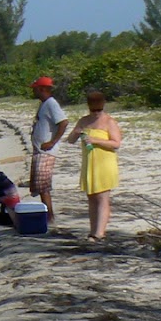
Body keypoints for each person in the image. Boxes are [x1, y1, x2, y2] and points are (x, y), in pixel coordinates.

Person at [65, 89, 122, 241]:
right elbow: (70, 140)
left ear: (103, 106)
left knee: (103, 198)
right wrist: (76, 132)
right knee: (91, 197)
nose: (96, 112)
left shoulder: (109, 122)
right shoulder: (83, 120)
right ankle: (93, 230)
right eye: (93, 109)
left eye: (98, 109)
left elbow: (116, 144)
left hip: (105, 163)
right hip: (90, 164)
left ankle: (99, 233)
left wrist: (96, 140)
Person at [29, 76, 68, 225]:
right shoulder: (44, 104)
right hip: (40, 151)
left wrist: (53, 141)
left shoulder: (51, 104)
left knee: (44, 186)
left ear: (41, 89)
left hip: (46, 152)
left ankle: (49, 217)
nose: (33, 92)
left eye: (35, 89)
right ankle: (47, 216)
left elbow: (63, 122)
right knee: (40, 186)